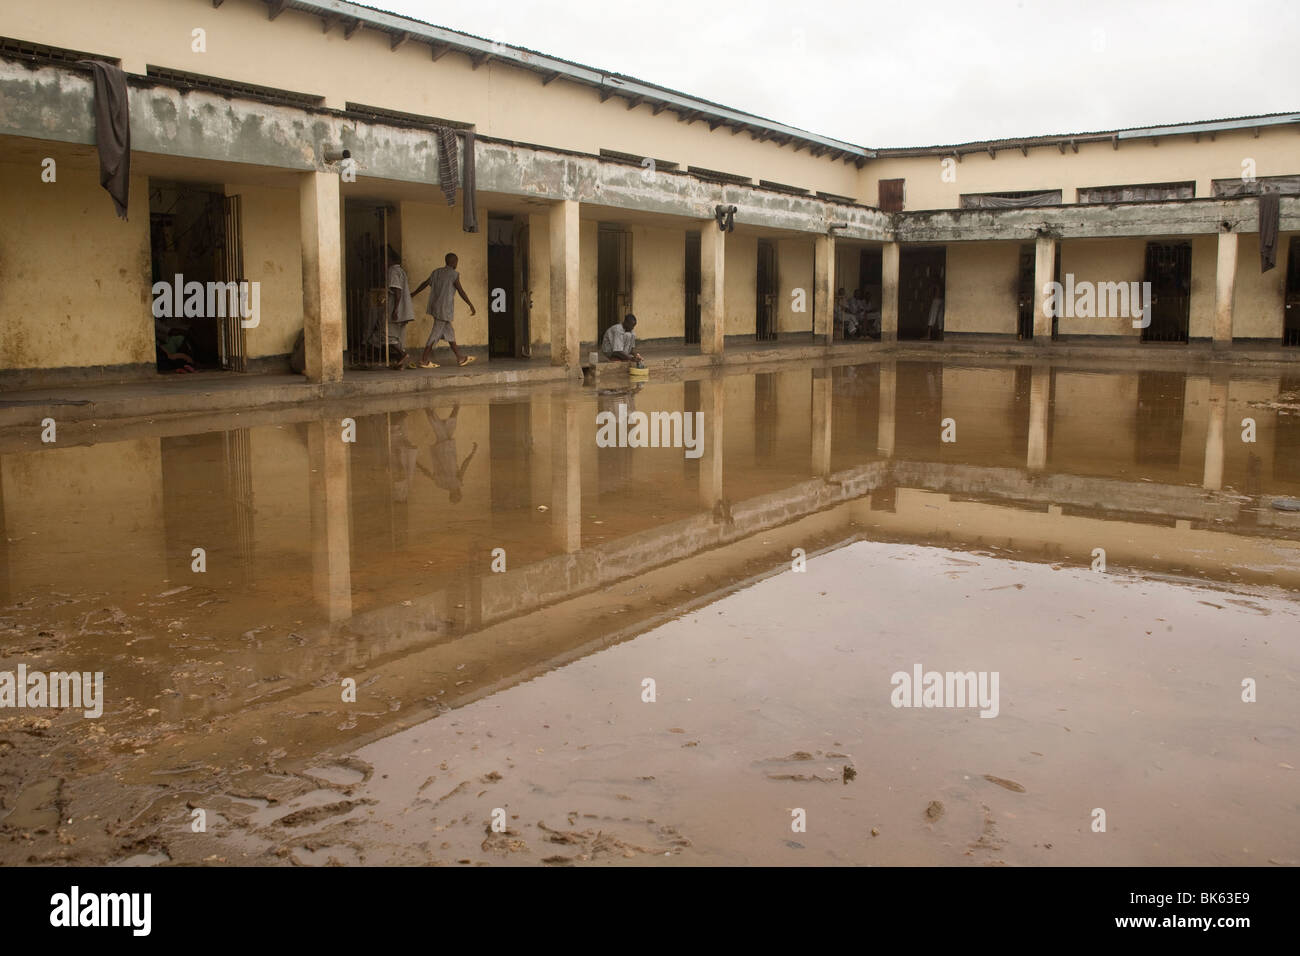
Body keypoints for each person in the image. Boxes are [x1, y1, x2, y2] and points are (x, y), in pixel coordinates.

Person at [413, 252, 477, 369]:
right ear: (453, 262)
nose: (457, 263)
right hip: (444, 310)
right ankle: (424, 359)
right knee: (435, 334)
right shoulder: (454, 274)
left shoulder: (436, 272)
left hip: (436, 307)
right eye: (456, 261)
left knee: (449, 334)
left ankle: (460, 358)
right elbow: (461, 291)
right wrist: (470, 304)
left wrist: (413, 294)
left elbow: (425, 284)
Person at [418, 403, 478, 504]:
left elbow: (464, 465)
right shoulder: (441, 485)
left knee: (440, 428)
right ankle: (453, 406)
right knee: (447, 428)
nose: (460, 493)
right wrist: (418, 465)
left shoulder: (455, 483)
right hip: (441, 452)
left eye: (458, 495)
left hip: (447, 452)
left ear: (455, 494)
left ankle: (427, 405)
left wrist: (473, 452)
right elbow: (428, 474)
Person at [384, 248, 416, 369]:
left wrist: (395, 310)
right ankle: (400, 363)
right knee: (399, 338)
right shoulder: (401, 270)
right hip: (405, 310)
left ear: (389, 259)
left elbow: (397, 291)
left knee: (386, 336)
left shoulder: (392, 271)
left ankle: (402, 354)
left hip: (397, 309)